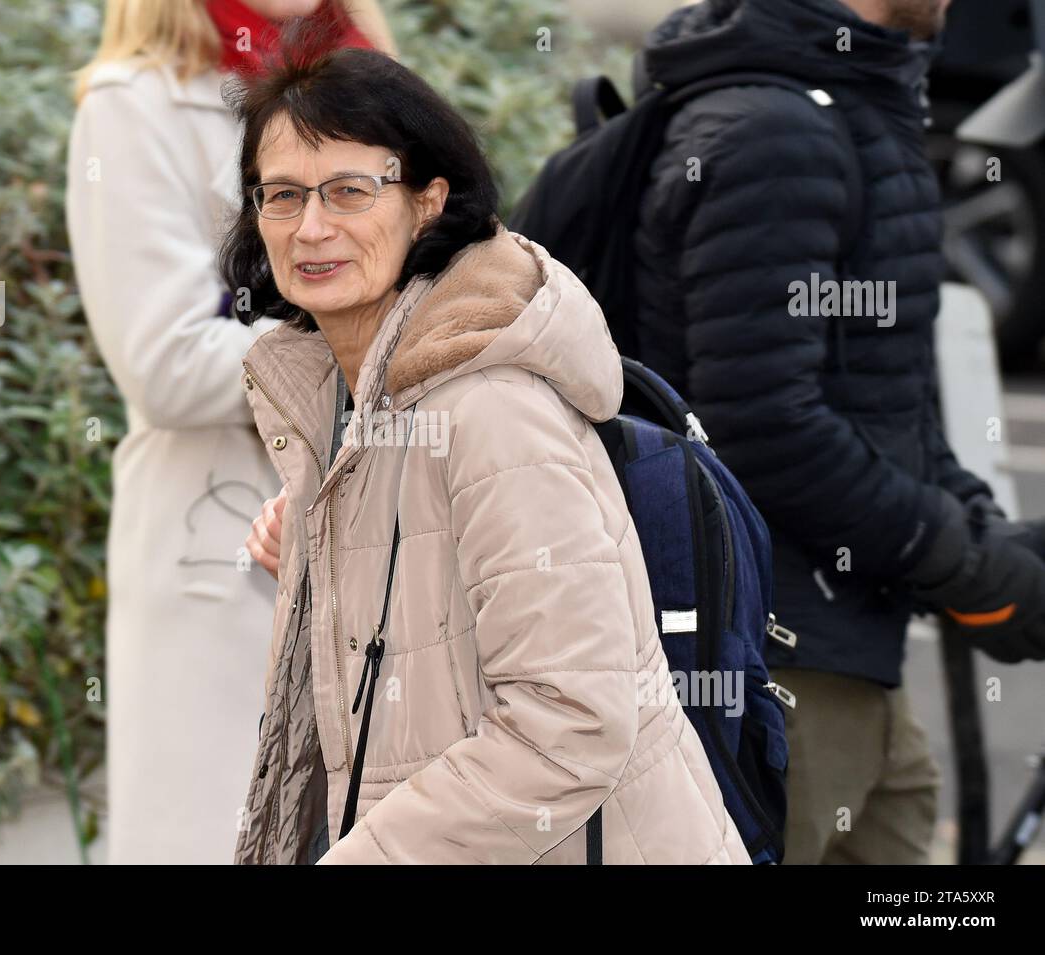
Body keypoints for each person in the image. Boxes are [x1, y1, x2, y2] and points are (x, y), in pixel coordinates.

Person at [224, 37, 750, 865]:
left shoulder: (492, 405)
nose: (311, 227)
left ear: (428, 201)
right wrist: (325, 562)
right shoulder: (350, 396)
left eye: (350, 191)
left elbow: (570, 720)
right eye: (282, 195)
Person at [631, 0, 1045, 863]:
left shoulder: (852, 99)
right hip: (777, 663)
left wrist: (976, 536)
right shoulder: (775, 134)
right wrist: (960, 560)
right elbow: (762, 431)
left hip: (852, 655)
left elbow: (882, 394)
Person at [65, 0, 390, 864]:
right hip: (220, 562)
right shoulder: (136, 103)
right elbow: (166, 363)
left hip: (392, 537)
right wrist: (363, 329)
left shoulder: (375, 83)